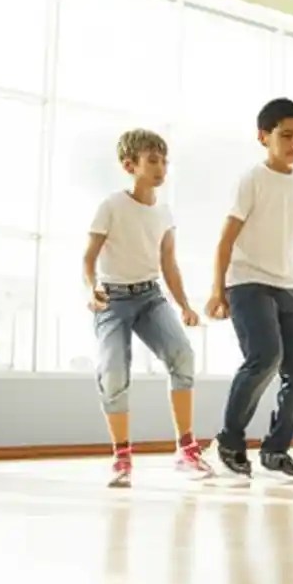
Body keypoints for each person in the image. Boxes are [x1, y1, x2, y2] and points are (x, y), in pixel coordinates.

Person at [204, 98, 293, 484]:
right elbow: (225, 239)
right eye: (285, 135)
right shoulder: (251, 180)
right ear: (263, 136)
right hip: (247, 281)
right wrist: (217, 291)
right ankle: (229, 443)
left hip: (286, 285)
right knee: (264, 357)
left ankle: (275, 451)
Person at [83, 129, 210, 487]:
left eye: (164, 161)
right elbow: (88, 258)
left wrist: (184, 305)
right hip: (112, 298)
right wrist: (90, 288)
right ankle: (122, 458)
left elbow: (169, 262)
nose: (161, 168)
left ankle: (186, 450)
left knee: (182, 356)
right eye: (152, 160)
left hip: (151, 296)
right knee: (113, 373)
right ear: (129, 165)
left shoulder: (165, 212)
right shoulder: (111, 206)